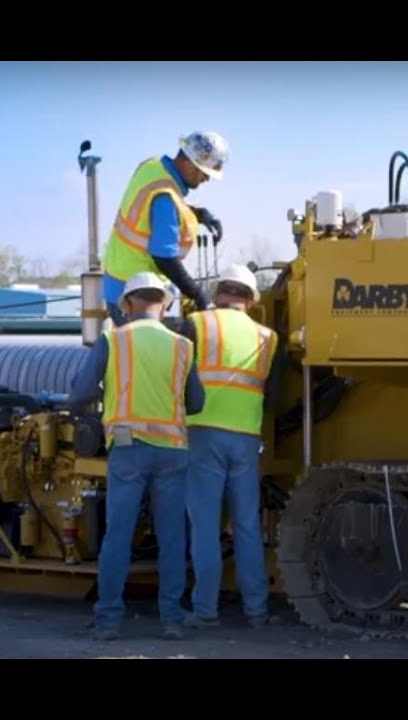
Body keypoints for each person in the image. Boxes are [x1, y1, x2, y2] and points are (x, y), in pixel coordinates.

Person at [67, 271, 206, 641]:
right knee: (173, 537)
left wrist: (94, 411)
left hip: (128, 450)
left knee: (118, 534)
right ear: (165, 305)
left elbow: (80, 395)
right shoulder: (182, 346)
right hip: (173, 451)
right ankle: (172, 619)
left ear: (127, 305)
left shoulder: (113, 339)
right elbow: (197, 402)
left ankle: (109, 620)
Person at [178, 264, 286, 629]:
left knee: (206, 524)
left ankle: (205, 612)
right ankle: (256, 610)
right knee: (247, 524)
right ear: (252, 299)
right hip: (246, 438)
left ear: (219, 292)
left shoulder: (197, 324)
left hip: (203, 432)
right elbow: (272, 399)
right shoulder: (267, 337)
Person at [100, 130, 230, 327]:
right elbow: (165, 258)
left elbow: (152, 213)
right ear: (190, 164)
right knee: (144, 355)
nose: (206, 180)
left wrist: (199, 214)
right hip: (137, 296)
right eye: (204, 174)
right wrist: (198, 294)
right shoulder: (166, 198)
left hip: (118, 282)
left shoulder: (151, 168)